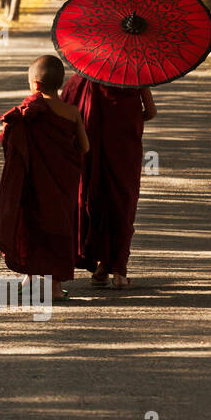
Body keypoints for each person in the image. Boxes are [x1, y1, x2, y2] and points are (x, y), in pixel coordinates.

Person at [0, 55, 89, 301]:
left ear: (34, 84)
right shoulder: (72, 112)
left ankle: (33, 277)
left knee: (33, 225)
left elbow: (9, 141)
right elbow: (84, 147)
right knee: (60, 226)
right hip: (64, 183)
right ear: (60, 83)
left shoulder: (26, 112)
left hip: (32, 182)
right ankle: (55, 288)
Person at [60, 73, 156, 289]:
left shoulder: (81, 79)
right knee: (121, 202)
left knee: (94, 199)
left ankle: (101, 267)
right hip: (123, 152)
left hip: (88, 154)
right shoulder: (134, 75)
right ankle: (118, 272)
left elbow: (65, 116)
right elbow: (150, 112)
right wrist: (126, 117)